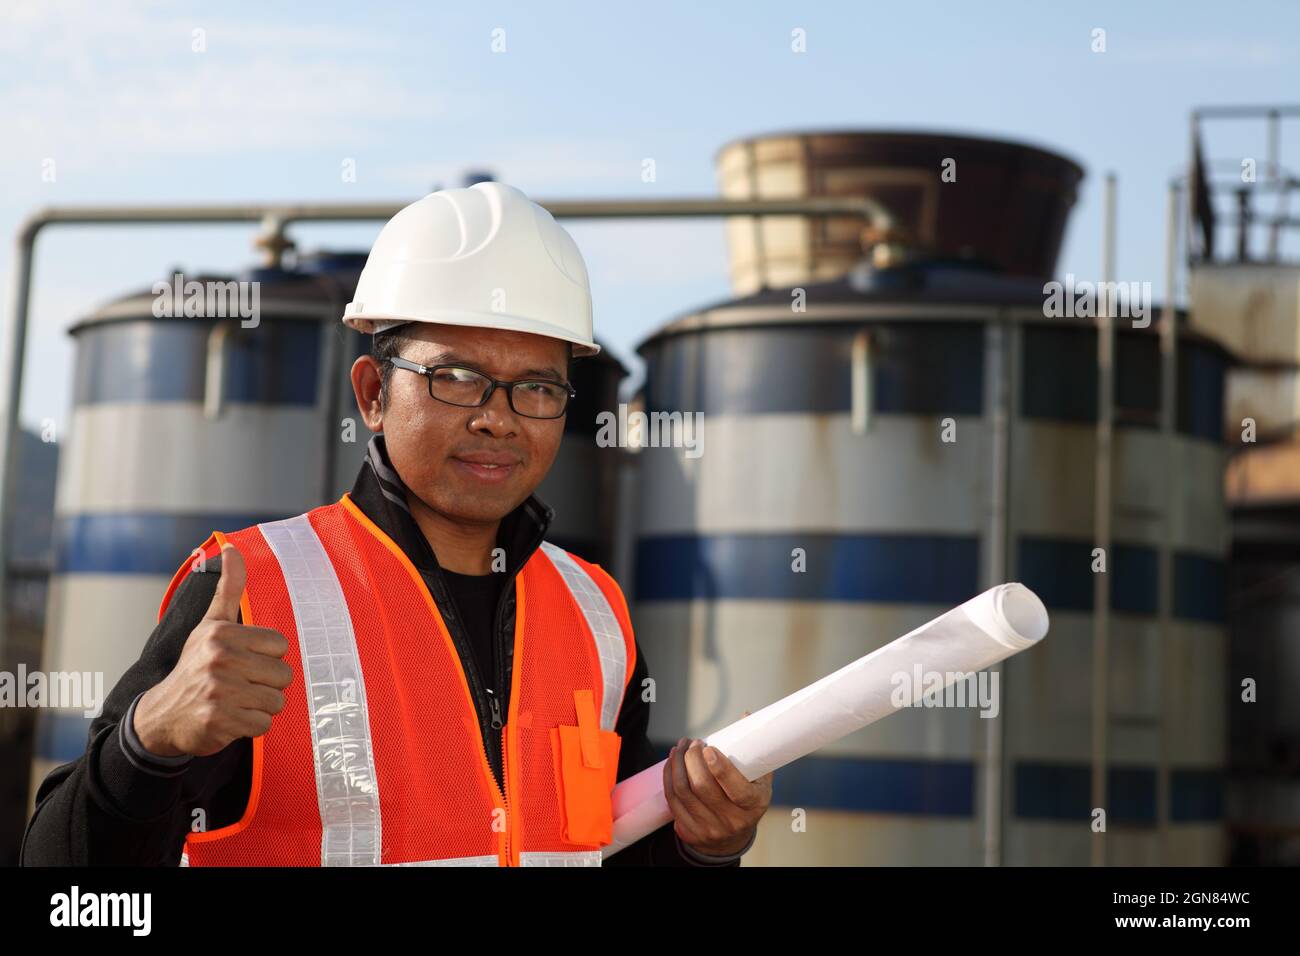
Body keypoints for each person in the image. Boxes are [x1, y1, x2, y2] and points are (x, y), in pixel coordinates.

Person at [22, 182, 772, 866]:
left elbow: (605, 855)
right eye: (456, 377)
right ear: (374, 392)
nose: (498, 419)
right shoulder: (253, 593)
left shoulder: (595, 614)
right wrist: (147, 744)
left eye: (536, 388)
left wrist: (705, 848)